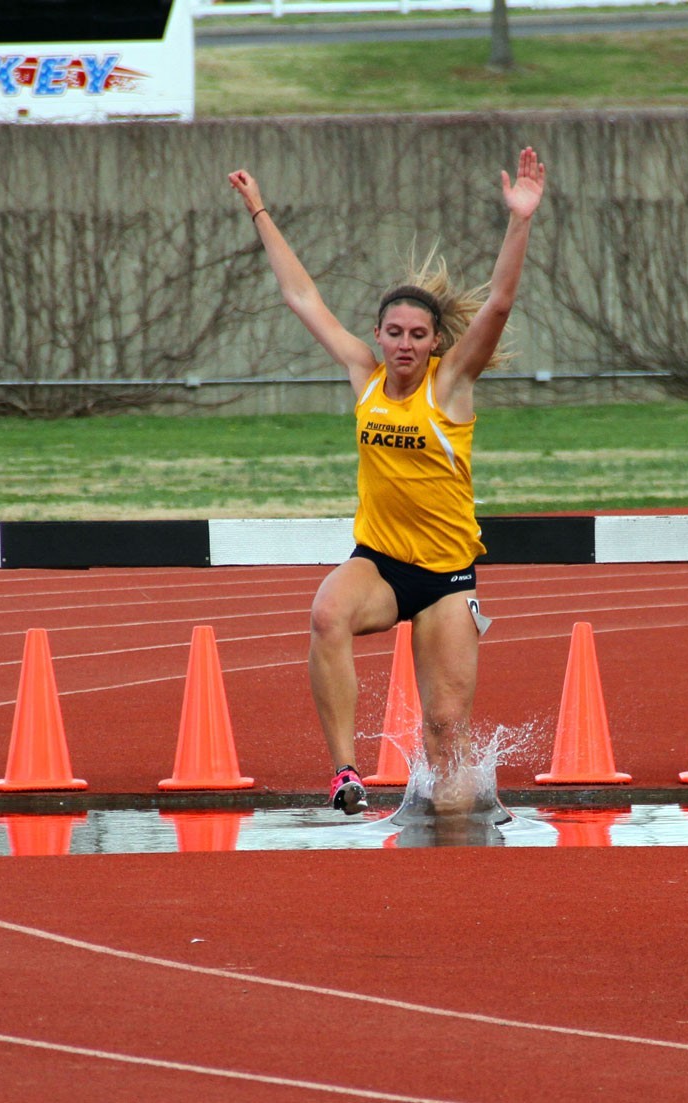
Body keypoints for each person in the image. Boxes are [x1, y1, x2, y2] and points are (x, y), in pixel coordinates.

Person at [228, 147, 546, 814]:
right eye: (394, 332)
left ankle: (464, 834)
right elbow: (301, 295)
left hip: (446, 578)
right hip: (379, 562)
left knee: (443, 731)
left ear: (435, 344)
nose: (404, 344)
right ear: (377, 334)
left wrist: (519, 220)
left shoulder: (450, 387)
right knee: (325, 613)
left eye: (417, 335)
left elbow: (500, 305)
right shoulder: (364, 376)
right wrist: (259, 208)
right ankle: (346, 771)